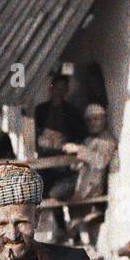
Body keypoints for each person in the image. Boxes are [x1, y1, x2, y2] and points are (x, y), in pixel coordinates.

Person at [64, 103, 117, 249]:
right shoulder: (89, 140)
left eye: (96, 119)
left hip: (94, 185)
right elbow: (78, 164)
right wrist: (75, 160)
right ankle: (81, 241)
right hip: (84, 182)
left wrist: (79, 149)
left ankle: (83, 242)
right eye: (90, 120)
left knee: (63, 194)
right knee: (62, 195)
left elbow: (100, 161)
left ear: (104, 120)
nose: (93, 123)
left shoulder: (107, 139)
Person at [34, 72, 86, 201]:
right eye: (57, 88)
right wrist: (42, 139)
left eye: (63, 89)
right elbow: (35, 132)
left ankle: (62, 221)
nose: (59, 92)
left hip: (62, 160)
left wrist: (65, 142)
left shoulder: (72, 111)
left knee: (60, 194)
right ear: (51, 88)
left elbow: (81, 134)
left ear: (67, 91)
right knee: (41, 193)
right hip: (44, 158)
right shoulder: (41, 110)